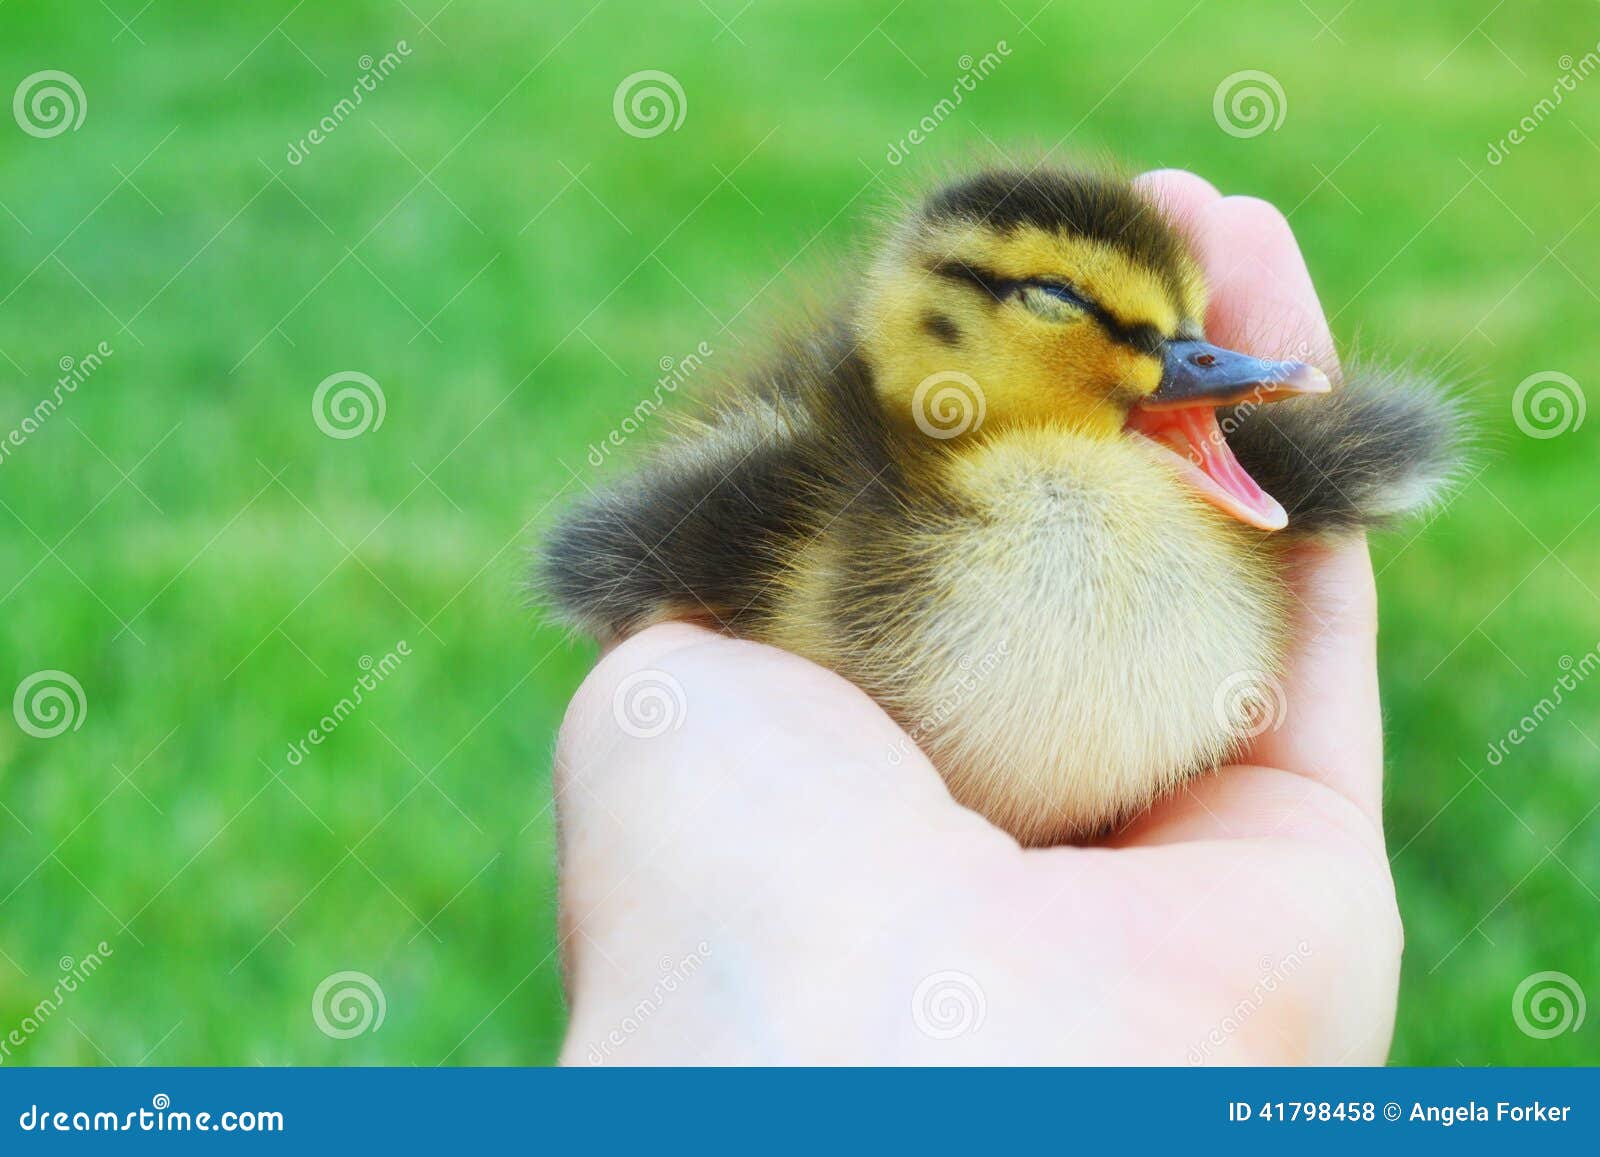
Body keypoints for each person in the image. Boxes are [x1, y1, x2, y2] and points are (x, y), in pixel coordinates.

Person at [551, 170, 1401, 1064]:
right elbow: (603, 555)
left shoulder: (1199, 498)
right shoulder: (814, 505)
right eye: (1062, 299)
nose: (1189, 361)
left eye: (1178, 325)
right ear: (929, 307)